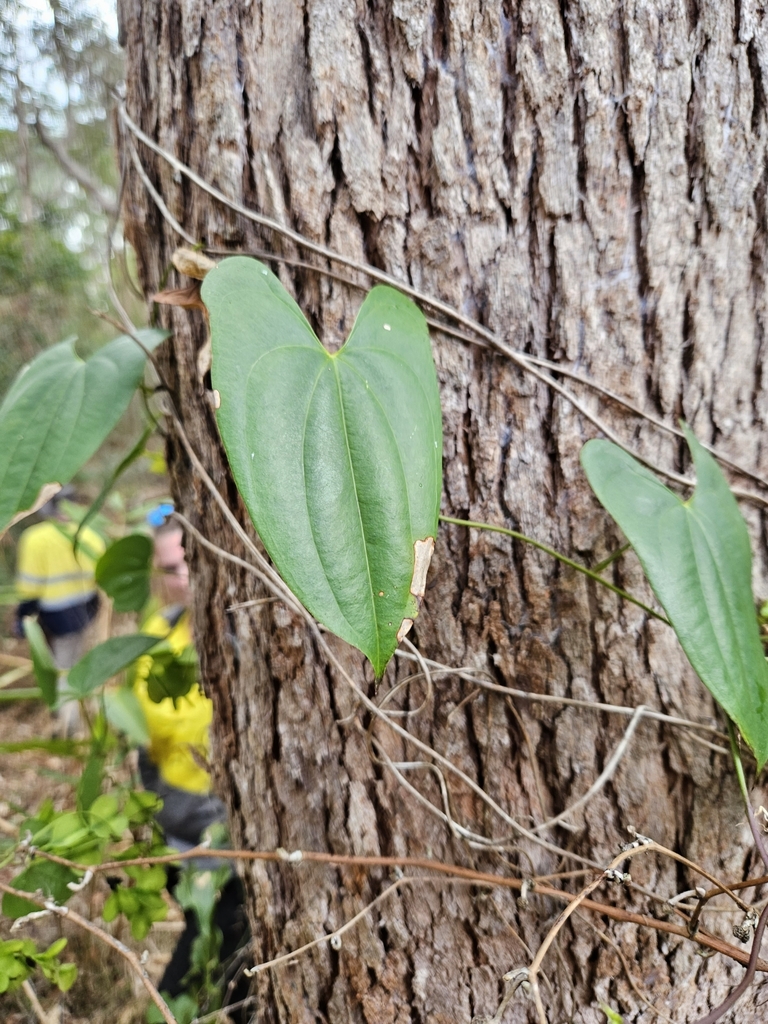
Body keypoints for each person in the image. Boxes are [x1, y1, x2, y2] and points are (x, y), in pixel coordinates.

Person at [133, 513, 250, 1009]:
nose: (182, 575)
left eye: (188, 561)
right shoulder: (157, 635)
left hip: (225, 821)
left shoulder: (240, 628)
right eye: (170, 567)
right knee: (214, 934)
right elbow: (146, 732)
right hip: (184, 821)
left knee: (219, 936)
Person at [15, 490, 105, 732]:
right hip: (86, 609)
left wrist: (23, 617)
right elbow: (102, 576)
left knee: (63, 667)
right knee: (78, 662)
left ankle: (69, 725)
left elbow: (28, 587)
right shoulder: (89, 535)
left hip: (54, 616)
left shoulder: (36, 539)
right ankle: (82, 718)